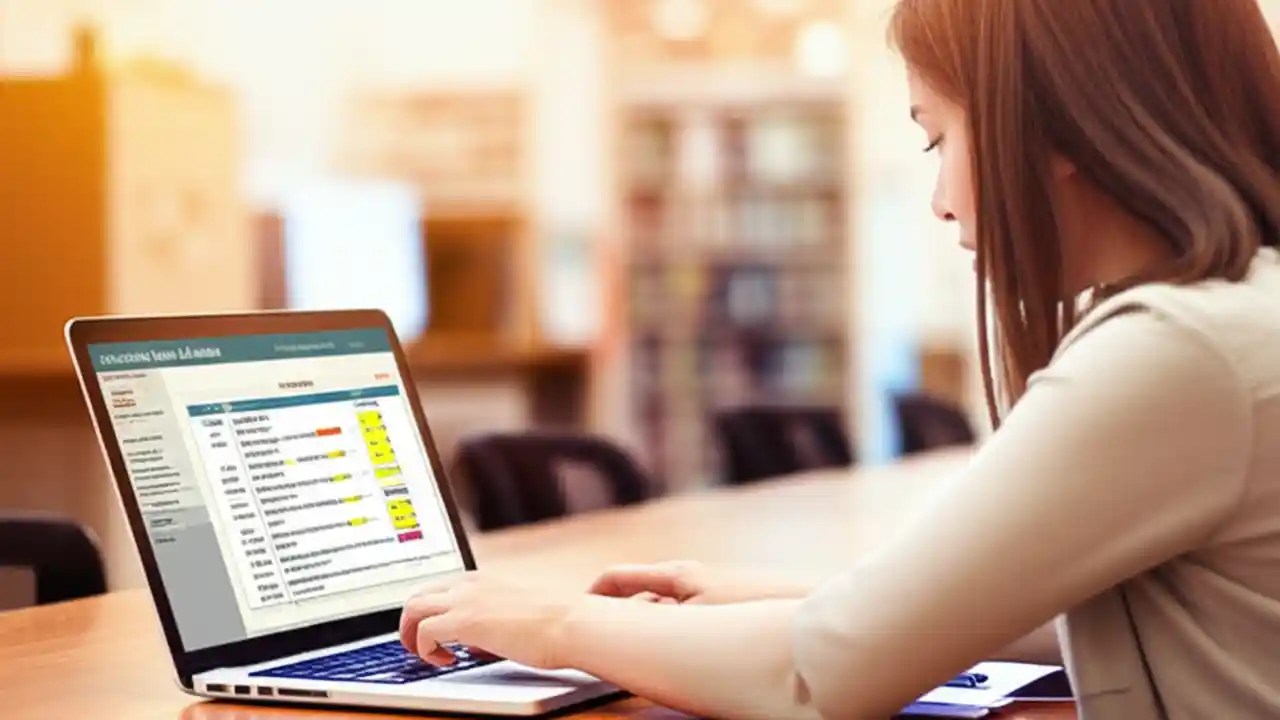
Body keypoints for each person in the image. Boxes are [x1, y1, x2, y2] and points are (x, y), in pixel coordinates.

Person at [400, 0, 1280, 717]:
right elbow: (1068, 610)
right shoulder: (1243, 313)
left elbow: (820, 679)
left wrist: (552, 622)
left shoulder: (1178, 351)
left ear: (1054, 133)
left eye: (938, 138)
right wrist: (788, 599)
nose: (940, 202)